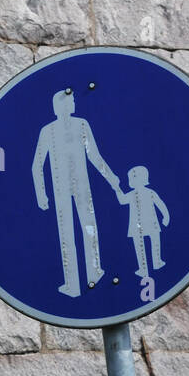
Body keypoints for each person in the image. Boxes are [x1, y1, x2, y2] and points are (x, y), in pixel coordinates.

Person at [31, 87, 122, 297]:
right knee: (74, 232)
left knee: (81, 230)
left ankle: (87, 276)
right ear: (60, 106)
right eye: (70, 102)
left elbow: (94, 156)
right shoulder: (51, 130)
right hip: (65, 186)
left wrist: (110, 177)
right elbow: (37, 165)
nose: (74, 104)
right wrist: (41, 194)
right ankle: (78, 280)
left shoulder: (79, 125)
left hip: (76, 185)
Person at [117, 165, 171, 278]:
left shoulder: (149, 193)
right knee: (141, 245)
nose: (130, 181)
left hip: (149, 223)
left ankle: (156, 262)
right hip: (138, 226)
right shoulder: (133, 195)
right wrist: (117, 188)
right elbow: (122, 201)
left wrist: (166, 216)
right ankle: (143, 268)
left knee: (154, 242)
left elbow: (160, 204)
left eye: (131, 179)